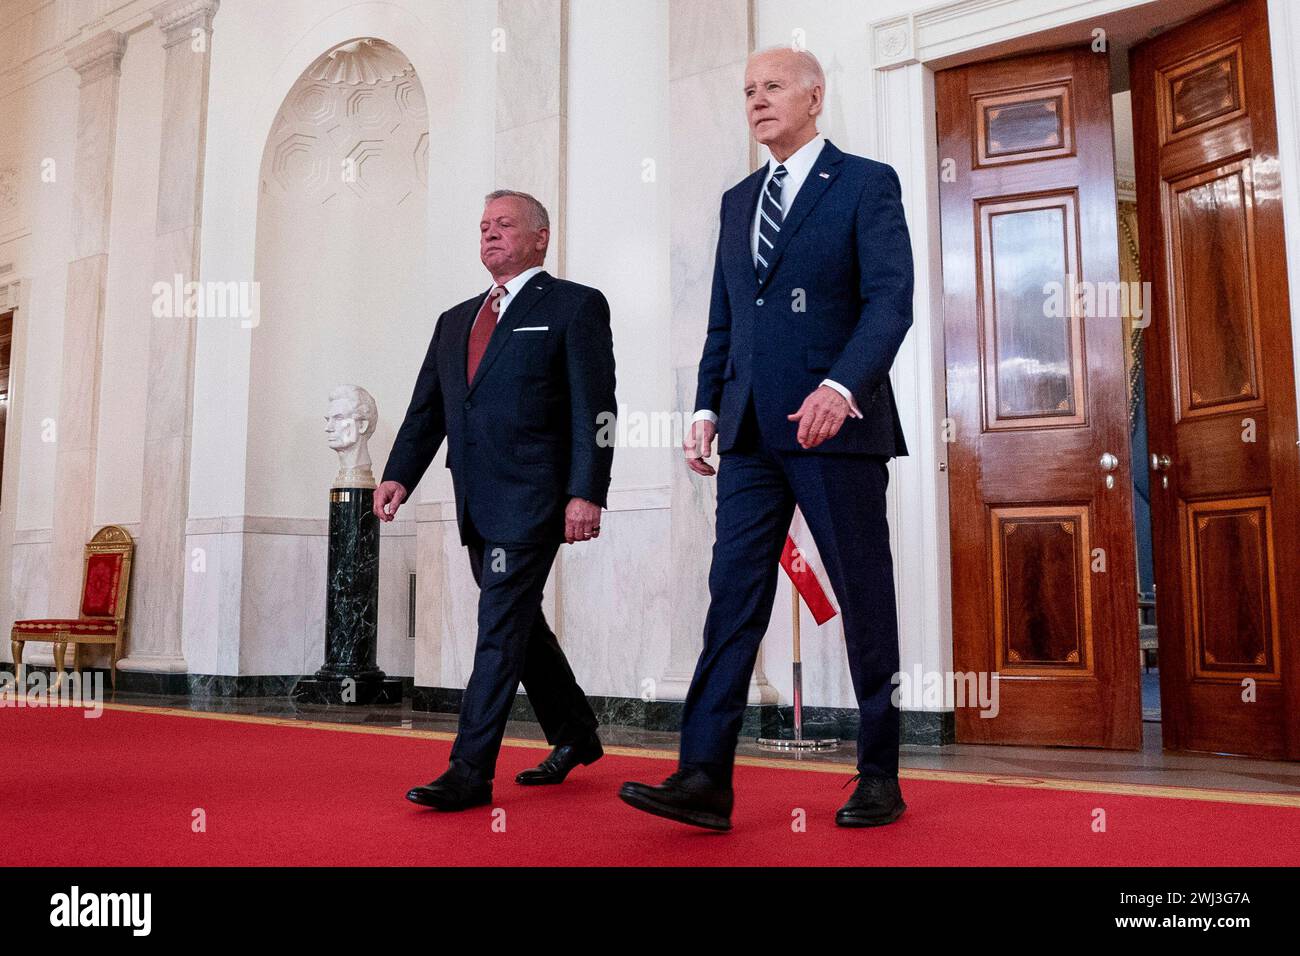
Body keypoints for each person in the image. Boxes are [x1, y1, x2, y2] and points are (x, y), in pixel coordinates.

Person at [619, 46, 914, 831]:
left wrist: (843, 386)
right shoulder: (737, 200)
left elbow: (890, 301)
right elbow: (726, 318)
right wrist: (705, 406)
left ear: (815, 97)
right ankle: (704, 778)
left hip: (837, 430)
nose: (757, 100)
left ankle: (879, 775)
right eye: (747, 90)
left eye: (773, 86)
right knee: (733, 602)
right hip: (747, 432)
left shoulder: (865, 183)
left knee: (864, 599)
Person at [376, 190, 616, 811]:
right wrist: (399, 474)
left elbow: (597, 411)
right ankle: (576, 733)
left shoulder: (574, 306)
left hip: (535, 499)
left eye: (505, 224)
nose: (490, 234)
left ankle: (468, 769)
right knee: (518, 626)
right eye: (483, 226)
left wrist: (587, 491)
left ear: (540, 236)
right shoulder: (455, 319)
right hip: (475, 500)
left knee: (498, 628)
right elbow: (427, 407)